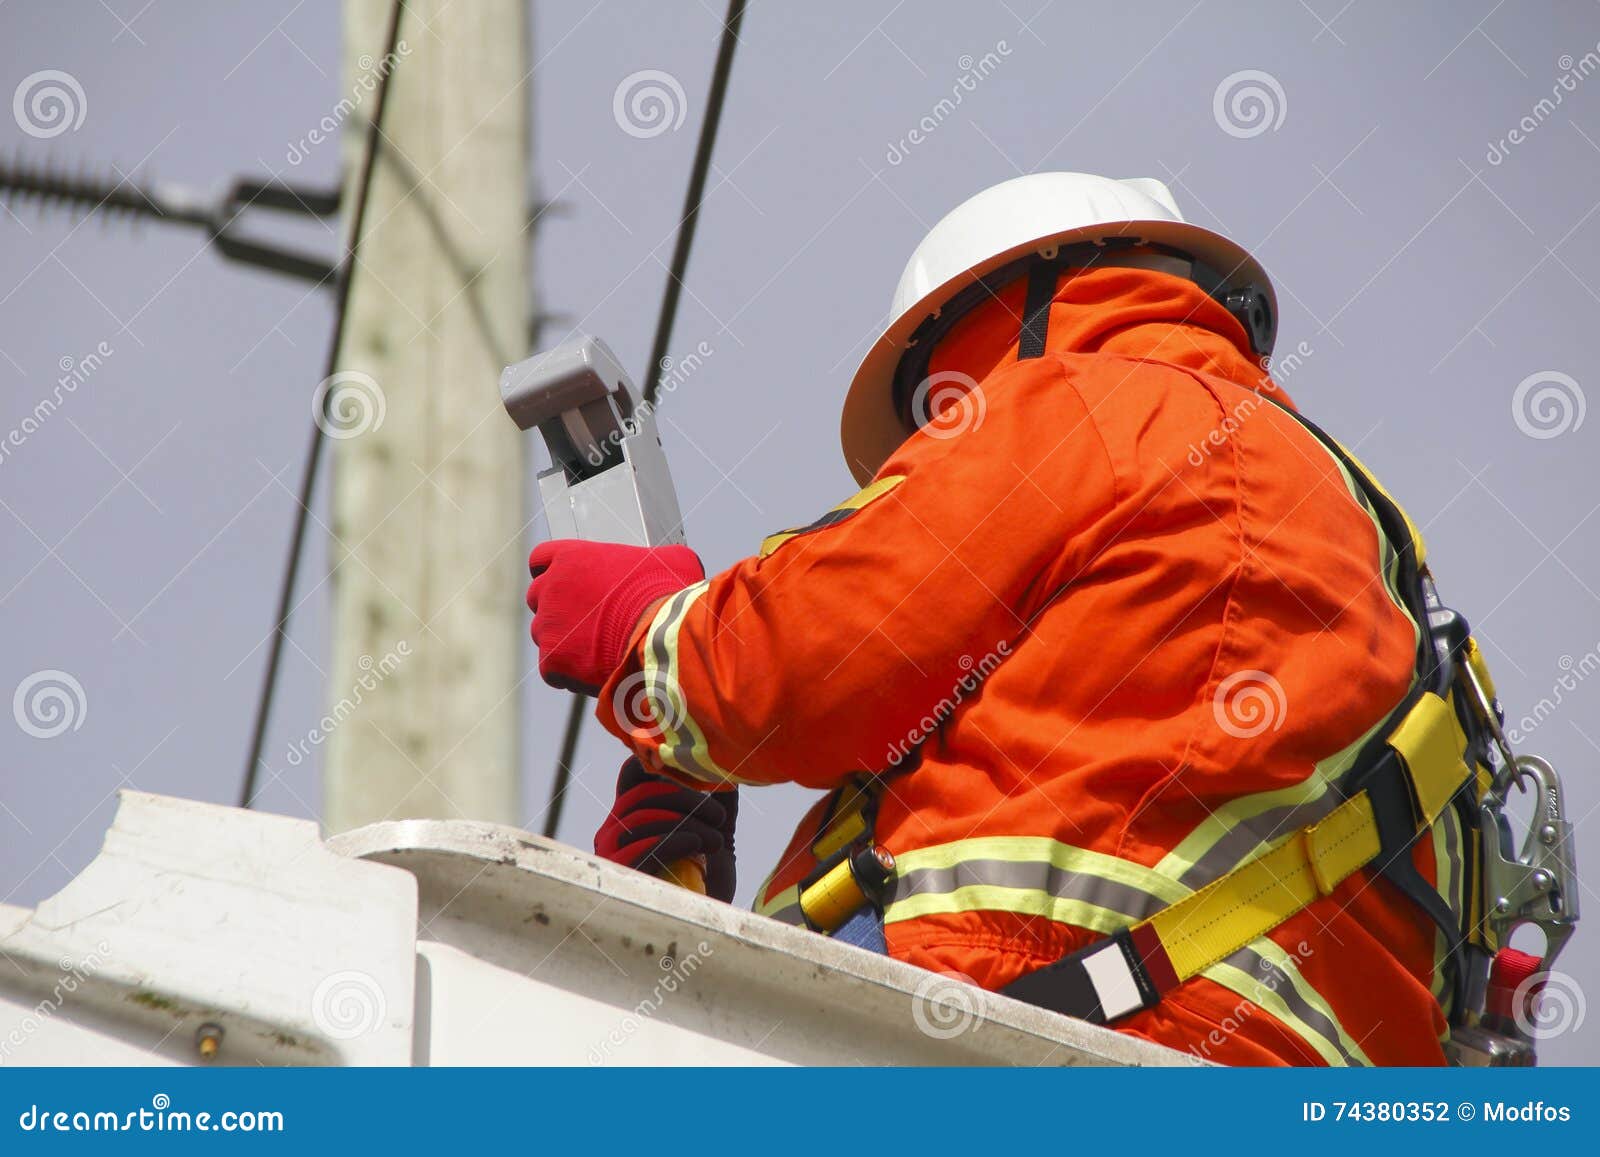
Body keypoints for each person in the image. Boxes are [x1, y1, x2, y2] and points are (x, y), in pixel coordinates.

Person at [524, 173, 1467, 1065]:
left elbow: (790, 663)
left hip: (1033, 1032)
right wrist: (686, 814)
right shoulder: (1367, 542)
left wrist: (645, 633)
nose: (936, 445)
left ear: (995, 322)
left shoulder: (1088, 403)